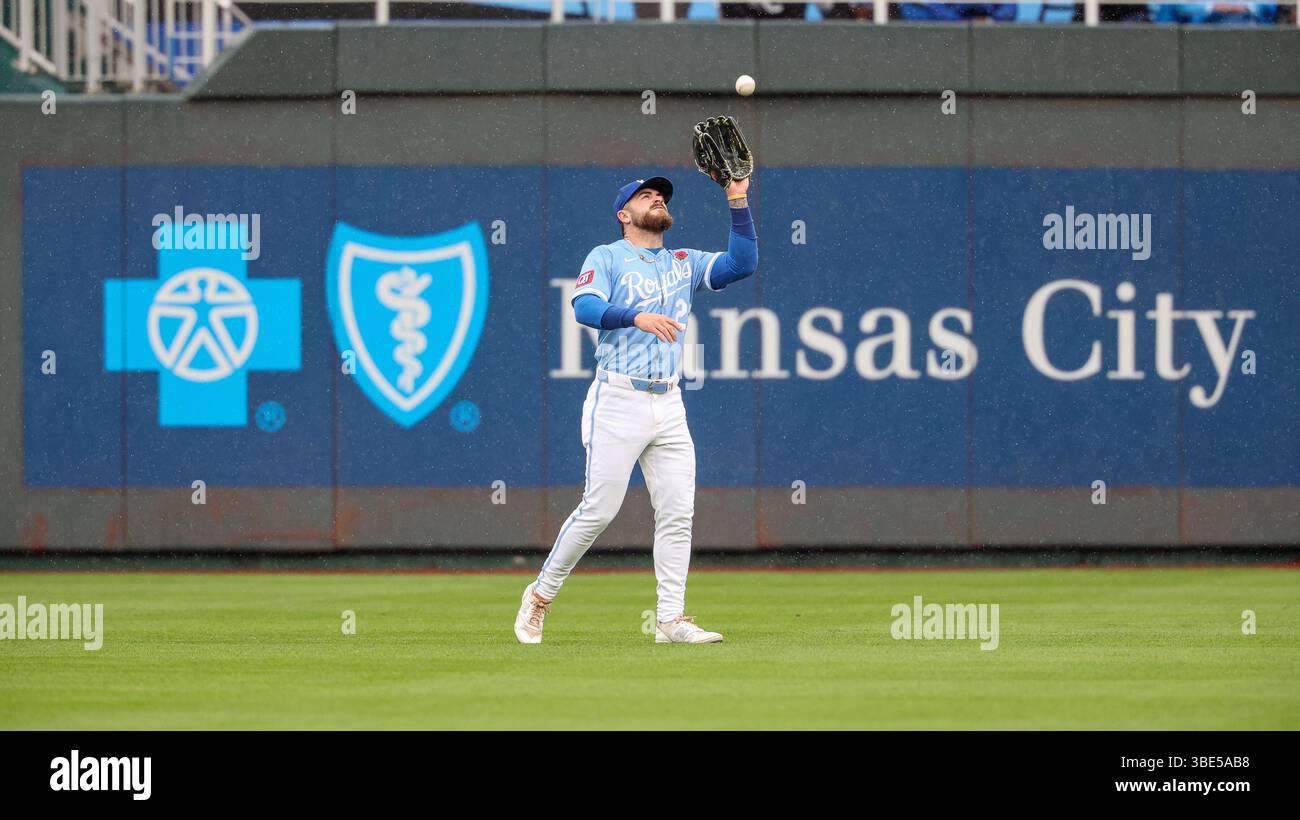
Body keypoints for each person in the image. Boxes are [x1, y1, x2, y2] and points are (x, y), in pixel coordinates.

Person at [514, 173, 758, 644]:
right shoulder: (606, 256)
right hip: (618, 397)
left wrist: (736, 196)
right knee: (600, 509)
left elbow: (743, 263)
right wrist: (634, 316)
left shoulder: (684, 262)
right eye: (646, 195)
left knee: (677, 509)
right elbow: (584, 308)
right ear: (624, 215)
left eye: (661, 195)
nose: (658, 199)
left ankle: (670, 620)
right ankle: (541, 595)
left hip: (669, 401)